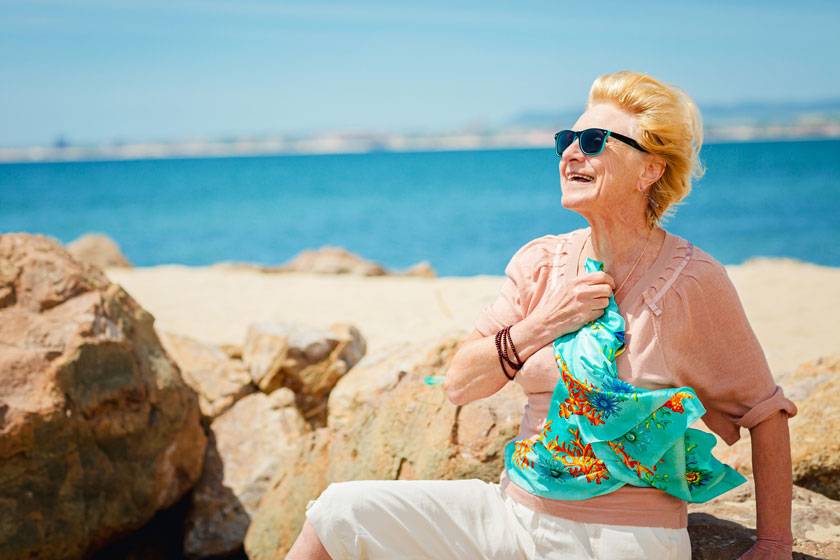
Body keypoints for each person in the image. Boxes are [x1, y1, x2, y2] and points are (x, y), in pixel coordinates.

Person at [286, 71, 797, 560]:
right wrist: (546, 322)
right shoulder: (540, 263)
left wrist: (774, 543)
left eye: (595, 140)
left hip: (622, 537)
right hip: (510, 514)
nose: (572, 151)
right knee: (340, 511)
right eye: (567, 139)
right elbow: (461, 384)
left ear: (650, 169)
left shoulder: (694, 281)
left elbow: (764, 412)